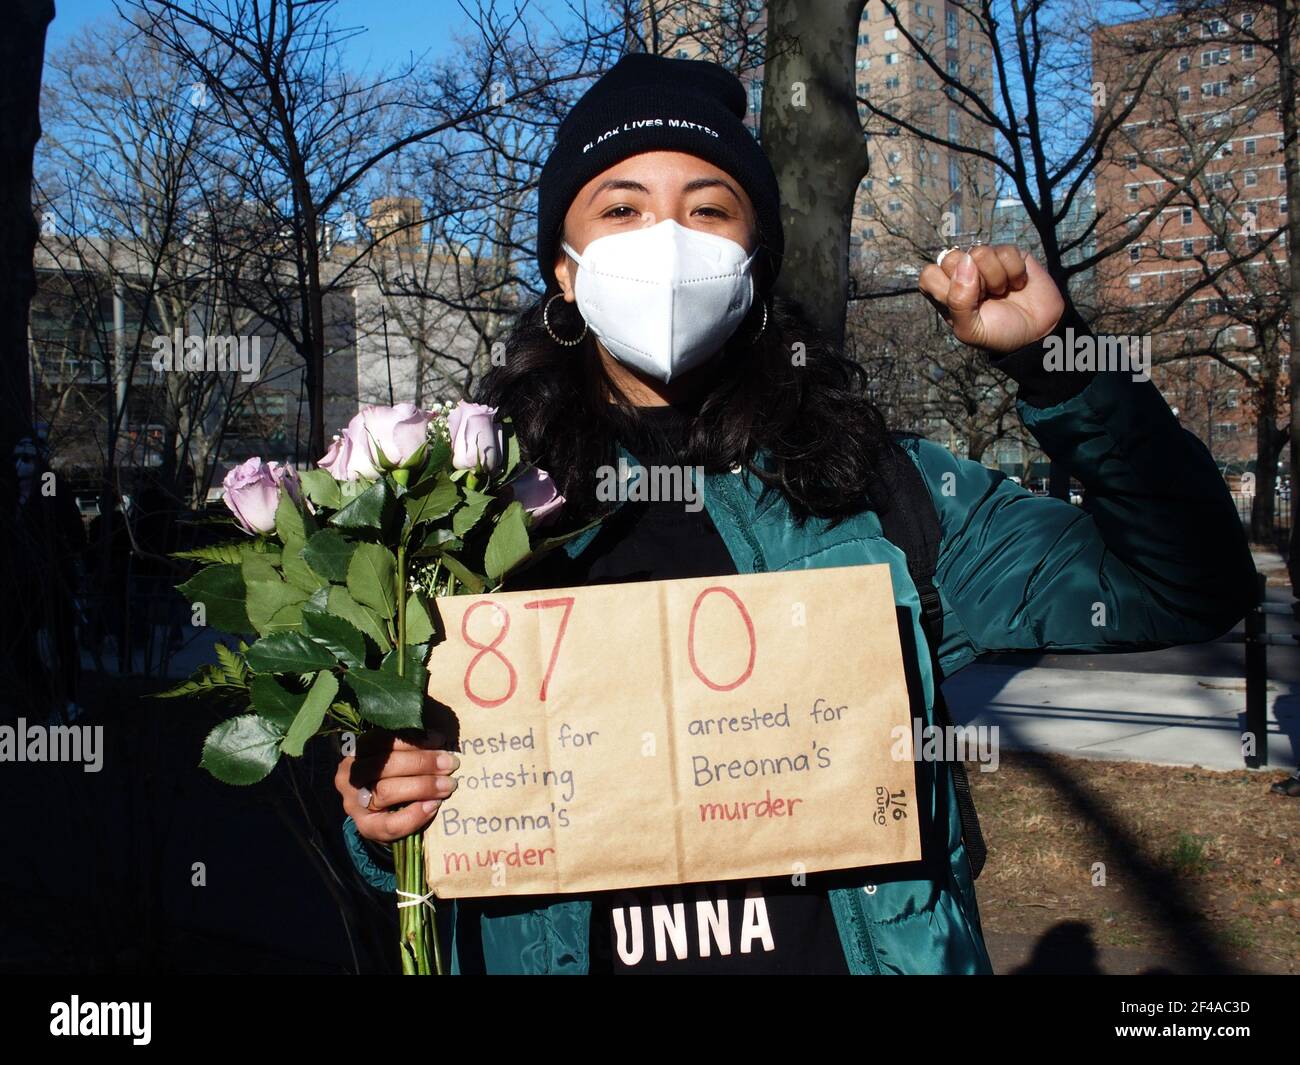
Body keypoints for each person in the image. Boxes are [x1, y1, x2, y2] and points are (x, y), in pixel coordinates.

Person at [334, 53, 1255, 974]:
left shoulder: (879, 490)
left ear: (753, 263)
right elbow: (414, 829)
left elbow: (1184, 585)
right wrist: (385, 818)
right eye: (620, 208)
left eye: (707, 208)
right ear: (563, 273)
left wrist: (1060, 364)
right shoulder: (465, 522)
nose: (666, 239)